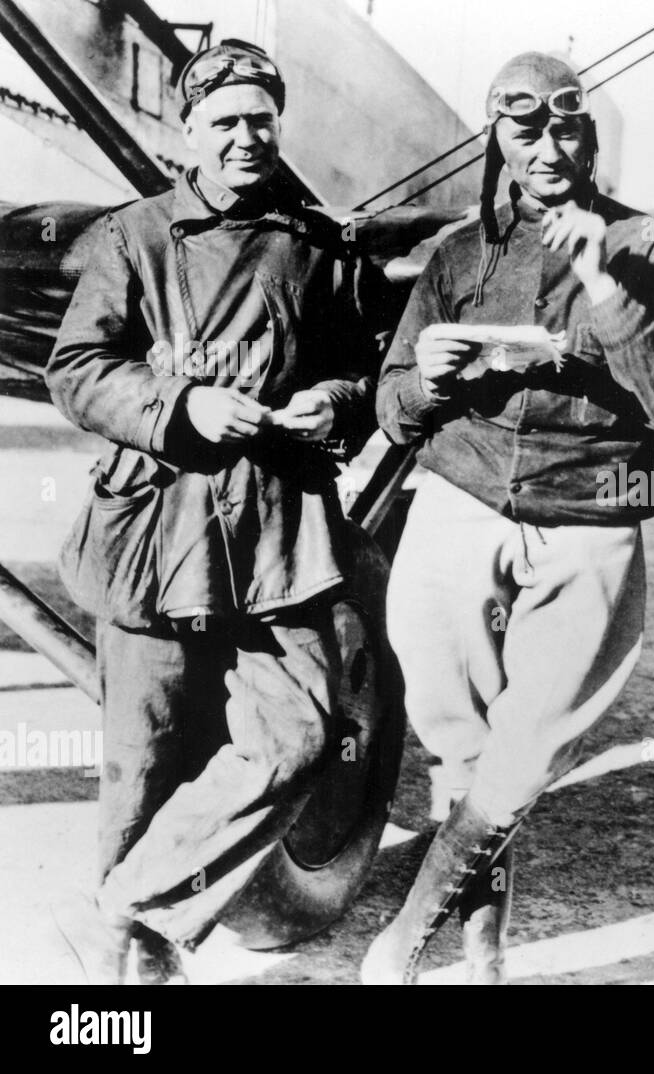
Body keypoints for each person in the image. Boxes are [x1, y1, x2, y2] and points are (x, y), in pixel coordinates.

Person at [364, 51, 654, 985]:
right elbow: (394, 406)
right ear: (497, 139)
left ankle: (404, 941)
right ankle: (482, 954)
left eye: (567, 128)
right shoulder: (460, 252)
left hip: (588, 513)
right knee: (455, 740)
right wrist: (426, 376)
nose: (548, 148)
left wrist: (605, 282)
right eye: (525, 131)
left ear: (589, 134)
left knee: (523, 753)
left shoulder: (653, 245)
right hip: (459, 500)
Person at [45, 40, 377, 984]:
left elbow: (358, 367)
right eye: (224, 122)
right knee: (143, 759)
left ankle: (127, 904)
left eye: (260, 121)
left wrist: (338, 402)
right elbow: (74, 372)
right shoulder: (130, 237)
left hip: (275, 524)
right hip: (157, 524)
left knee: (302, 731)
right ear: (188, 132)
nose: (244, 139)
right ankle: (130, 971)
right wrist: (177, 408)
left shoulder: (318, 245)